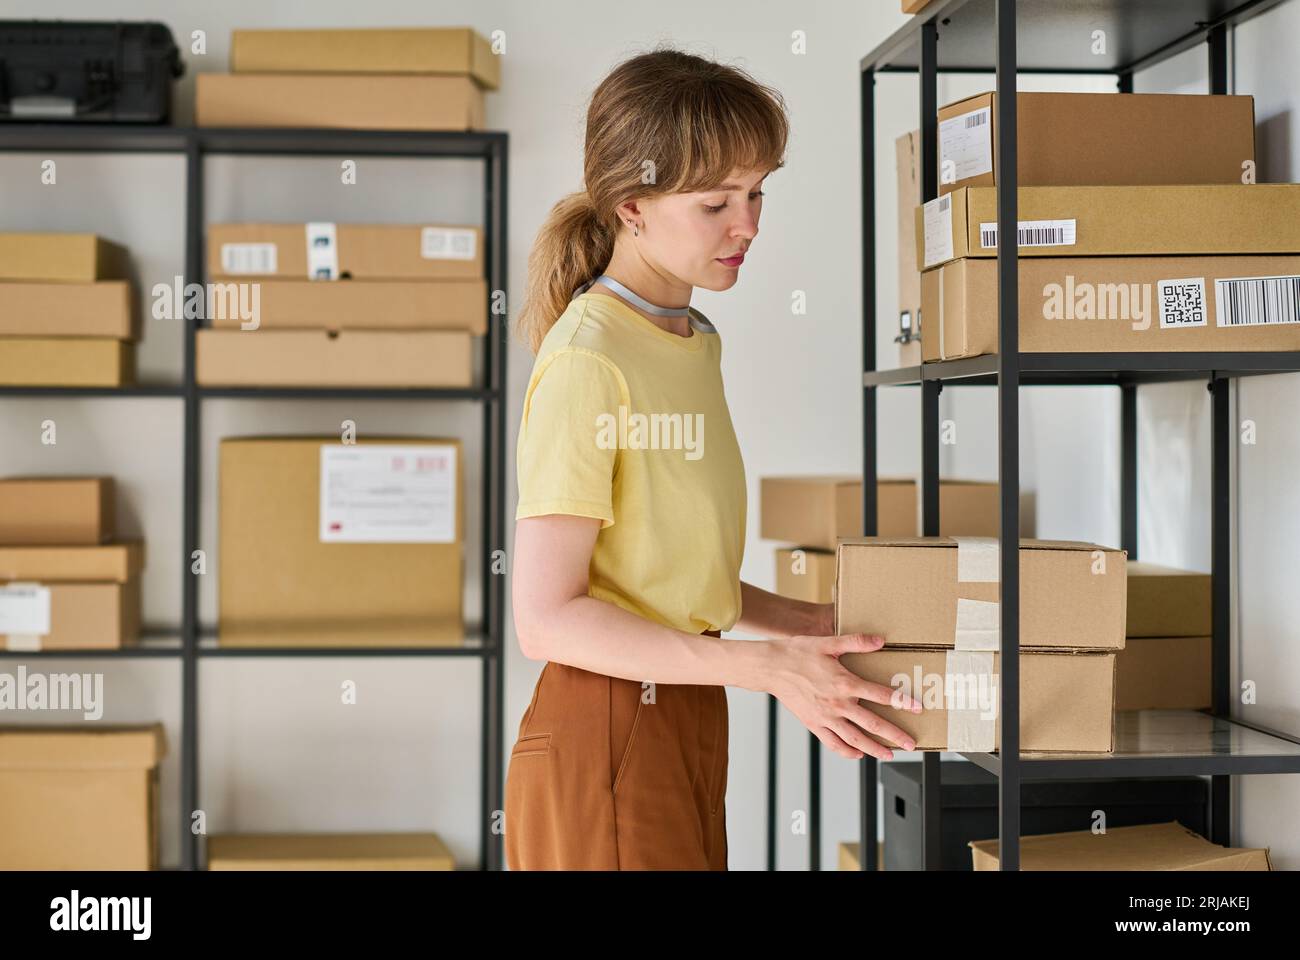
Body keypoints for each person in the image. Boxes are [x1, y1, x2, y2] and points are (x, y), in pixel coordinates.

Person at [505, 46, 920, 871]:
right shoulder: (591, 358)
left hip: (685, 714)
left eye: (757, 191)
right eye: (715, 203)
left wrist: (813, 631)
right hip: (610, 729)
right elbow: (545, 617)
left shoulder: (689, 340)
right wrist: (768, 667)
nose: (750, 224)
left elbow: (667, 570)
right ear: (631, 207)